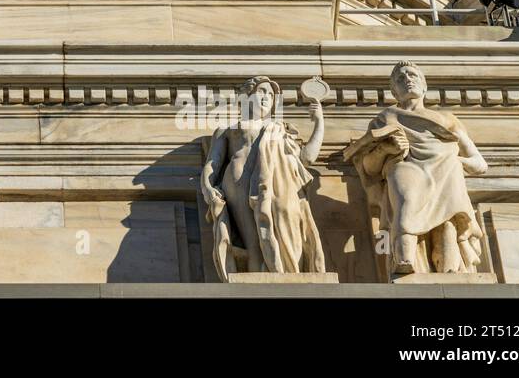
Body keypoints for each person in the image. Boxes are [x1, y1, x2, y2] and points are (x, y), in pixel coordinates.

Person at [346, 61, 488, 275]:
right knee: (407, 203)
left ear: (424, 85)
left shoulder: (448, 120)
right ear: (394, 91)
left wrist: (457, 162)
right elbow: (369, 168)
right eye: (400, 79)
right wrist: (385, 149)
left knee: (447, 221)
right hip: (404, 165)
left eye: (412, 75)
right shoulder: (385, 119)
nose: (407, 80)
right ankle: (405, 259)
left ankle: (448, 265)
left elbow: (480, 164)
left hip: (446, 169)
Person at [199, 75, 325, 278]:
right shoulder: (228, 130)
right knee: (254, 240)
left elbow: (307, 157)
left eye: (271, 95)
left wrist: (319, 122)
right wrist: (207, 188)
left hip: (280, 183)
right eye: (261, 92)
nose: (267, 98)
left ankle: (289, 276)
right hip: (239, 182)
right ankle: (257, 283)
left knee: (289, 221)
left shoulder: (281, 130)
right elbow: (212, 164)